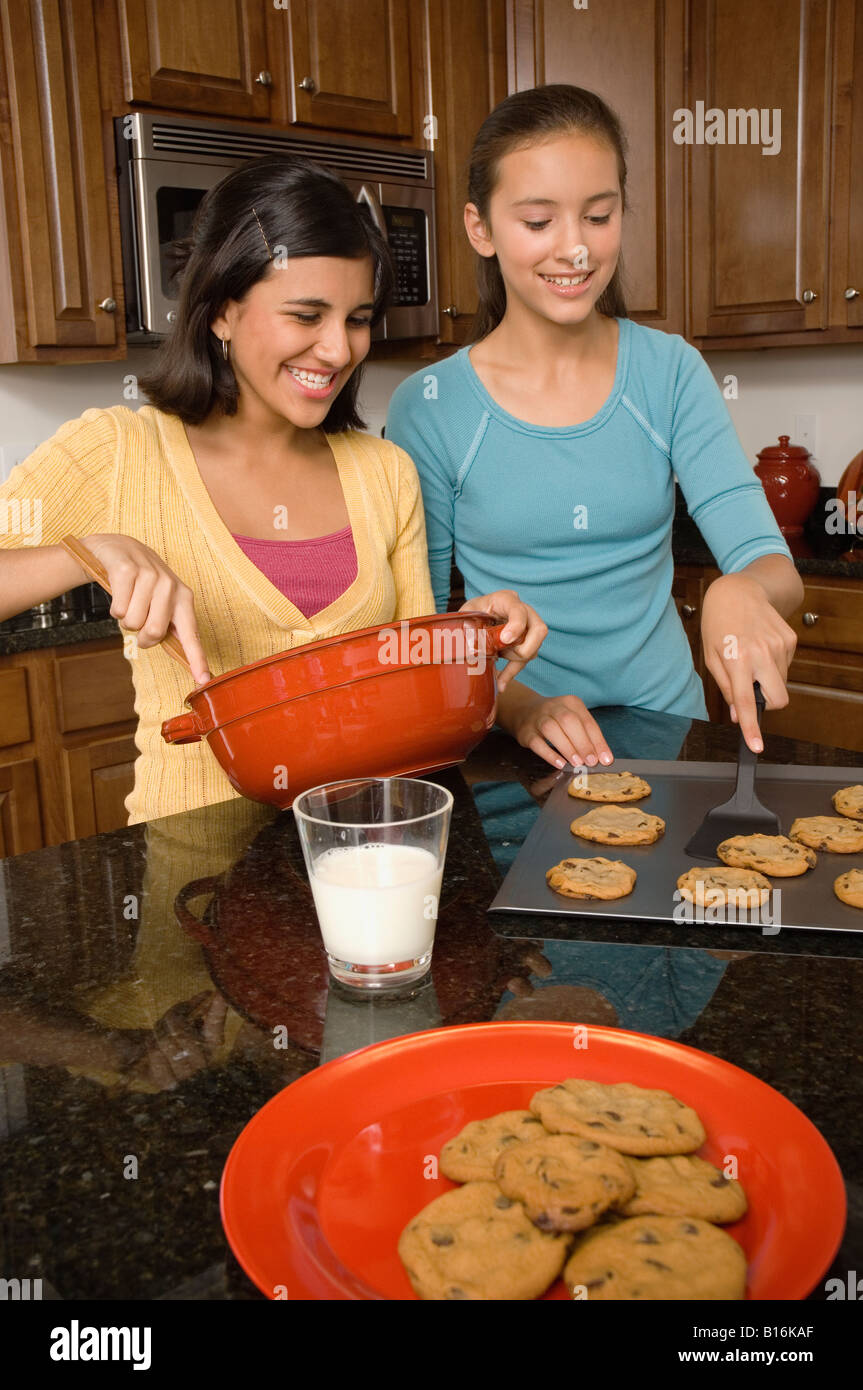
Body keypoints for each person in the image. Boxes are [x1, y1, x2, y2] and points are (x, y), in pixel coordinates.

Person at [0, 155, 546, 824]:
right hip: (196, 874)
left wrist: (469, 641)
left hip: (367, 851)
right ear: (223, 313)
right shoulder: (120, 452)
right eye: (305, 314)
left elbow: (409, 687)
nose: (338, 350)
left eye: (355, 319)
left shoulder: (384, 473)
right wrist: (84, 553)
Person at [386, 85, 803, 772]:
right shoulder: (428, 405)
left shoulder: (669, 372)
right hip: (513, 752)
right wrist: (520, 709)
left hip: (670, 737)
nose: (574, 248)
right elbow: (423, 640)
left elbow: (773, 566)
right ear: (480, 228)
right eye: (538, 221)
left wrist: (742, 589)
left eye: (598, 215)